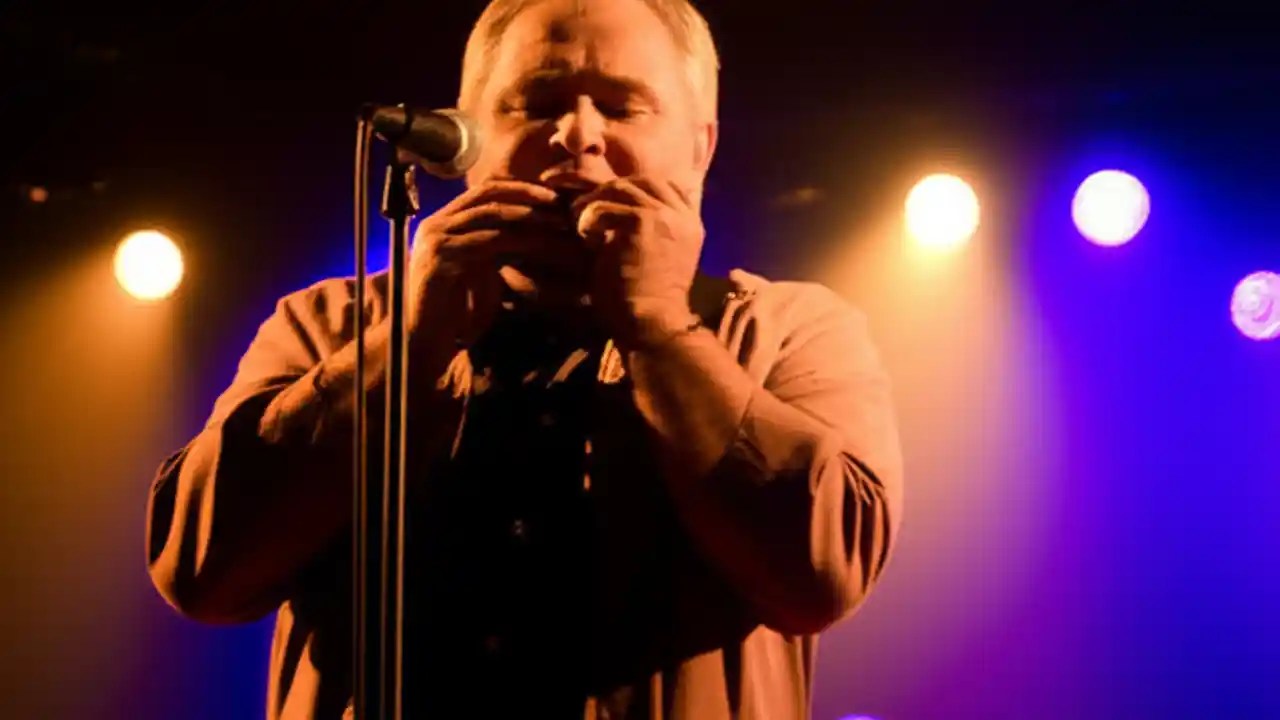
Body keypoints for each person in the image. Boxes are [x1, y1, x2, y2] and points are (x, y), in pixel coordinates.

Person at [144, 0, 904, 718]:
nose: (578, 134)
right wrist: (411, 346)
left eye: (622, 104)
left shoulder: (790, 330)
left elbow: (822, 575)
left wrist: (662, 333)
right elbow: (201, 574)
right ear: (463, 135)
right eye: (537, 103)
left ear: (700, 146)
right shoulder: (329, 326)